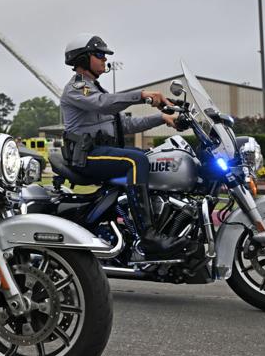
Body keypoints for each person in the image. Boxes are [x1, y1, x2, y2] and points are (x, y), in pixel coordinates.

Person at [59, 33, 185, 258]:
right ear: (83, 59)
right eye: (99, 55)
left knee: (153, 155)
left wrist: (162, 118)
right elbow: (104, 105)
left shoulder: (95, 89)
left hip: (101, 152)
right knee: (135, 161)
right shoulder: (78, 88)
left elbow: (124, 124)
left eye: (105, 56)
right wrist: (142, 95)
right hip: (86, 156)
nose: (104, 60)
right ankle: (147, 236)